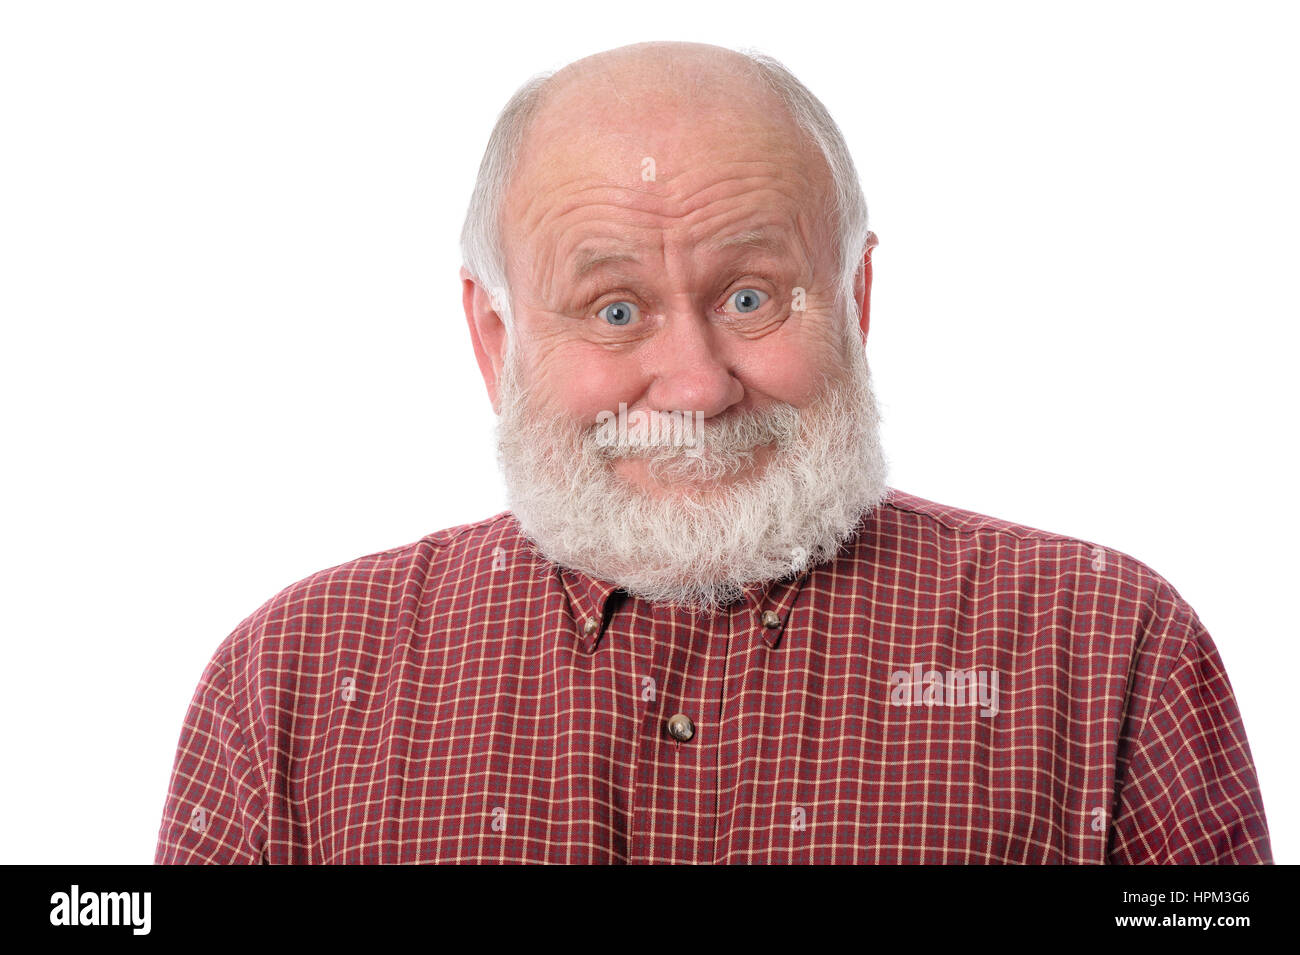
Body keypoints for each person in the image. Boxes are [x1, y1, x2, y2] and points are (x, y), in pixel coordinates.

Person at [155, 41, 1271, 864]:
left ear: (855, 296)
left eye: (750, 295)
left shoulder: (1109, 645)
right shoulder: (288, 684)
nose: (693, 382)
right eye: (612, 309)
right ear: (494, 340)